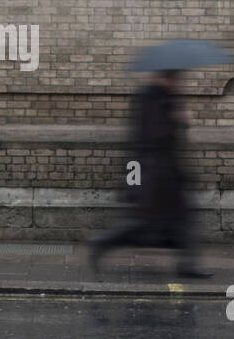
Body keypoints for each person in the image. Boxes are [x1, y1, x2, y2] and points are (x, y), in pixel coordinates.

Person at [88, 70, 211, 278]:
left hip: (165, 174)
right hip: (155, 175)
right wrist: (178, 119)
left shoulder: (163, 98)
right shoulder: (150, 97)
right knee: (144, 225)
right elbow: (156, 136)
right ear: (165, 78)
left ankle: (187, 265)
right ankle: (103, 242)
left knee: (180, 220)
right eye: (175, 79)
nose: (178, 83)